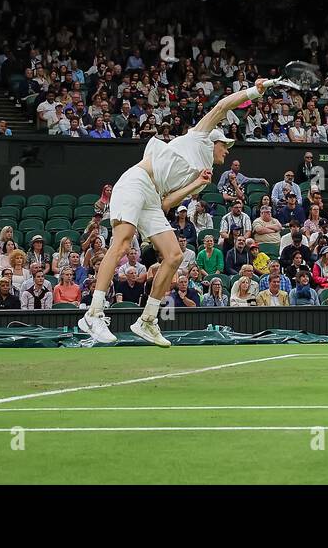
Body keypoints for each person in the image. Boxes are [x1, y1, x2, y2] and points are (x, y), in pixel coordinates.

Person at [78, 76, 289, 347]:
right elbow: (222, 106)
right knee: (121, 242)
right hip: (136, 182)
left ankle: (147, 320)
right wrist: (254, 92)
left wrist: (196, 185)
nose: (226, 149)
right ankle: (93, 313)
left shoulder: (204, 175)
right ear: (212, 142)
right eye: (224, 144)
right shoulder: (199, 137)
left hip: (153, 197)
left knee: (174, 255)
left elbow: (166, 204)